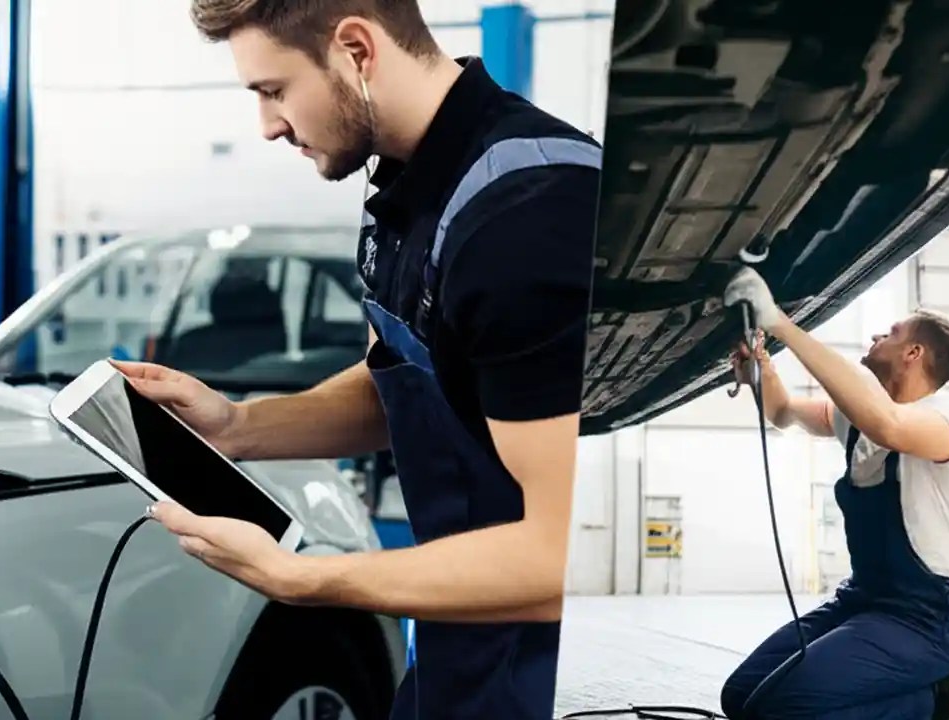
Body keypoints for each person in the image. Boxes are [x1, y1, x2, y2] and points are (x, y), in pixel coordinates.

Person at [110, 1, 601, 719]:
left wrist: (301, 579)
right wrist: (238, 427)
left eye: (274, 91)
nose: (268, 126)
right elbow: (403, 383)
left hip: (537, 680)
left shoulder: (525, 214)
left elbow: (556, 557)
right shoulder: (406, 179)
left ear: (356, 50)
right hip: (457, 657)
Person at [718, 268, 949, 720]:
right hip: (864, 600)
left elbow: (890, 426)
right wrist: (760, 368)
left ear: (913, 353)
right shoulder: (856, 420)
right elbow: (783, 411)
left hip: (927, 618)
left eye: (891, 333)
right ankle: (922, 695)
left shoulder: (948, 419)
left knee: (781, 708)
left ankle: (933, 704)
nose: (875, 336)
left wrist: (779, 323)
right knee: (739, 696)